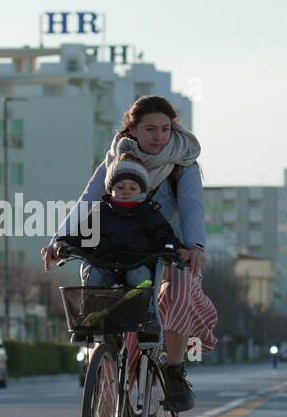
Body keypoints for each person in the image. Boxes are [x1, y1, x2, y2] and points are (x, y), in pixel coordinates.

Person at [43, 95, 218, 412]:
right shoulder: (114, 163)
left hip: (171, 250)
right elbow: (88, 201)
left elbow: (193, 207)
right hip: (117, 252)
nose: (159, 137)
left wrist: (195, 247)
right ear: (132, 130)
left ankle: (175, 372)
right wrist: (60, 241)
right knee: (104, 319)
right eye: (150, 129)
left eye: (165, 129)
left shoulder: (183, 165)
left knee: (179, 291)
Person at [55, 146, 191, 341]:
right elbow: (80, 235)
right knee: (90, 271)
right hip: (105, 264)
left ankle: (148, 317)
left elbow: (164, 235)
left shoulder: (150, 213)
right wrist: (63, 244)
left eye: (132, 188)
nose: (126, 192)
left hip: (137, 262)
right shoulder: (101, 212)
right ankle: (88, 318)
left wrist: (178, 249)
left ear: (142, 190)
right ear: (110, 189)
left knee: (140, 277)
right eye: (120, 187)